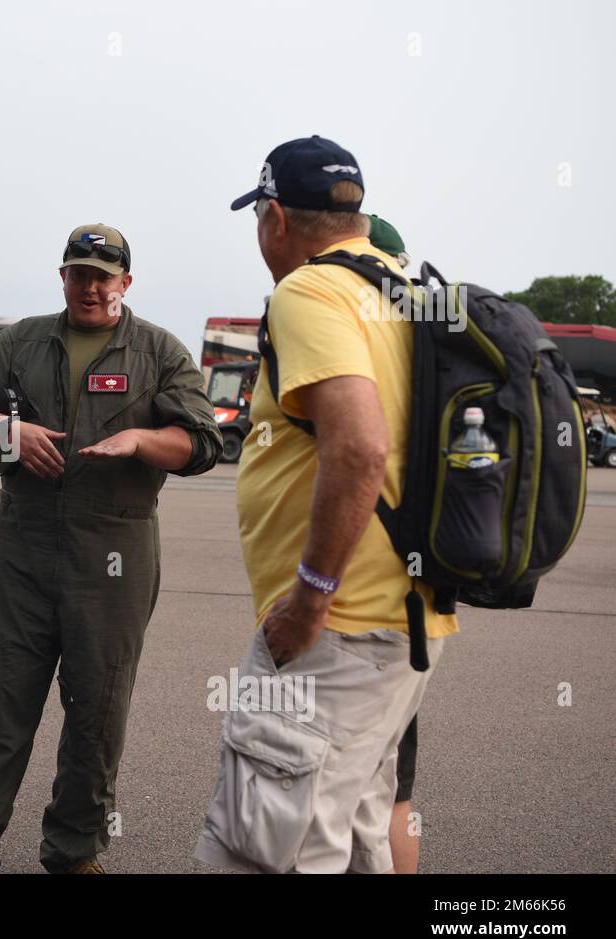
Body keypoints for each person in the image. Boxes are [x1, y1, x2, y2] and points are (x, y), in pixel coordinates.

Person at [194, 136, 458, 875]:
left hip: (335, 628)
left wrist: (310, 596)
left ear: (274, 217)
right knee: (355, 838)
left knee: (264, 848)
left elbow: (360, 447)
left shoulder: (309, 290)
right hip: (406, 617)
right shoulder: (402, 289)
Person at [0, 223, 222, 873]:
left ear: (125, 282)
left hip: (114, 547)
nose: (90, 286)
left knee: (97, 710)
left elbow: (203, 442)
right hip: (23, 543)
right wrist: (5, 429)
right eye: (78, 273)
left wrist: (141, 443)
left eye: (103, 275)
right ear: (61, 275)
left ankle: (72, 849)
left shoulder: (158, 351)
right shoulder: (23, 340)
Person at [367, 212, 421, 875]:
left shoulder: (360, 338)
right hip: (412, 600)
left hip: (356, 602)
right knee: (395, 790)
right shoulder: (423, 340)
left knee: (326, 796)